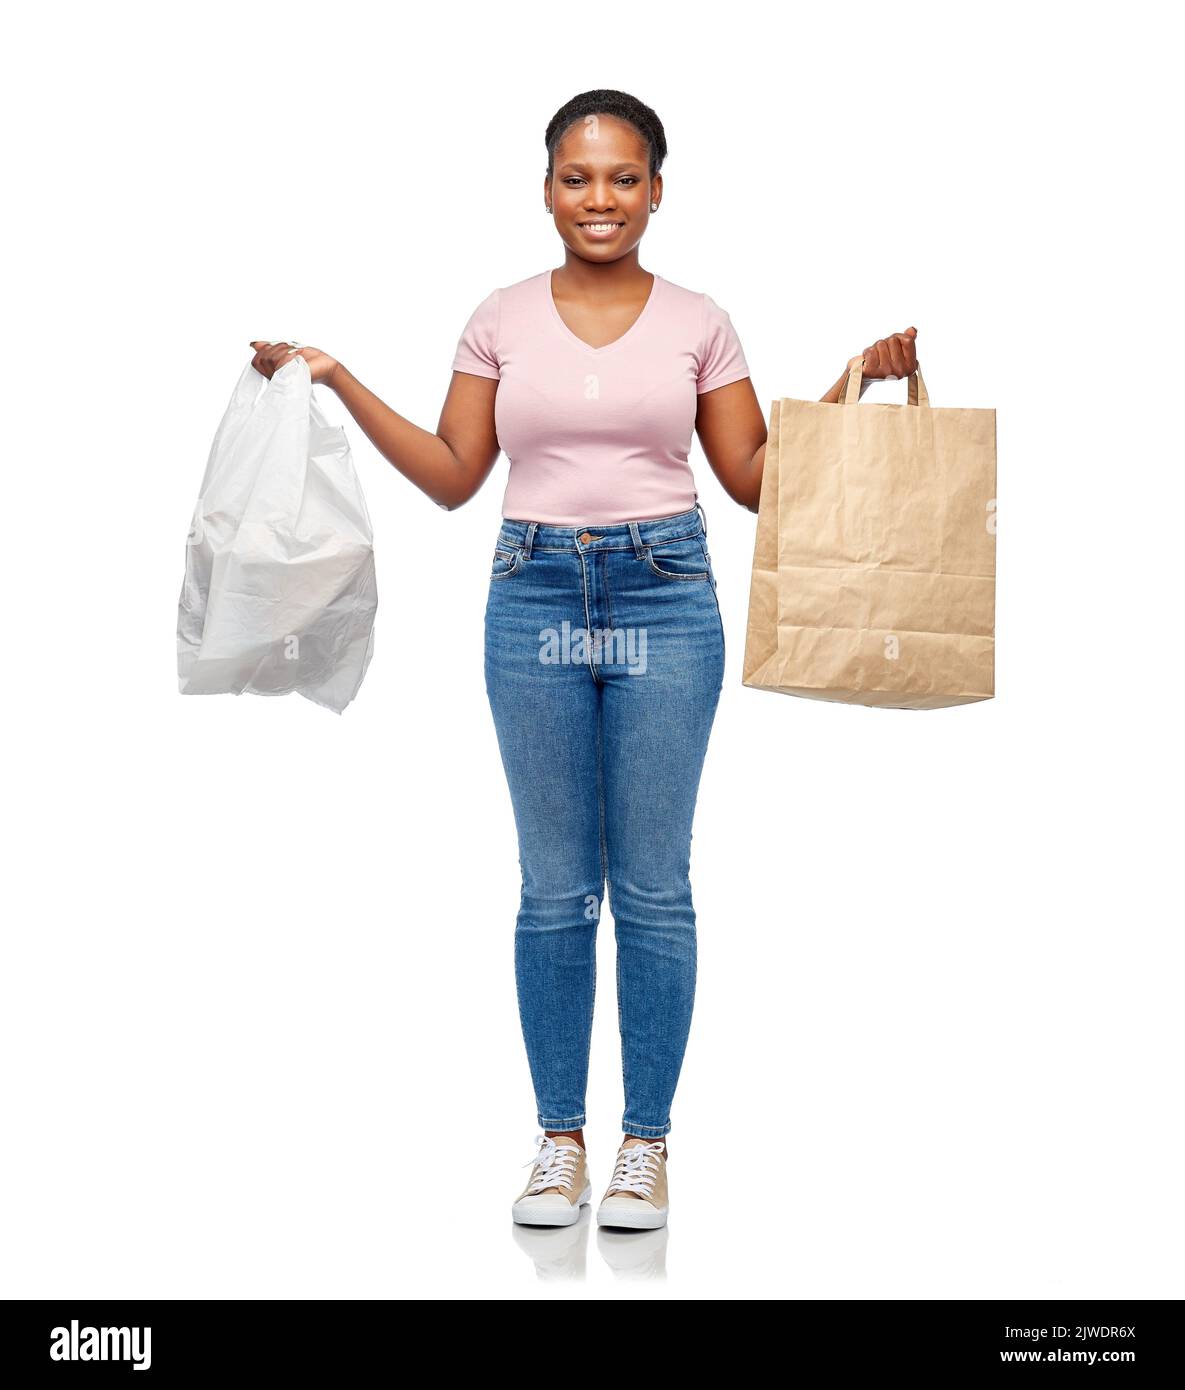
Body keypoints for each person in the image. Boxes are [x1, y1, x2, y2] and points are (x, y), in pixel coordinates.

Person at [249, 88, 917, 1231]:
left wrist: (851, 382)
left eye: (621, 177)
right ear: (548, 187)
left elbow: (754, 480)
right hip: (534, 592)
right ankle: (561, 1139)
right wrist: (339, 375)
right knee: (555, 890)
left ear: (657, 188)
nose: (598, 198)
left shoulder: (701, 320)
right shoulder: (499, 315)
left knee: (653, 886)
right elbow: (458, 476)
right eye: (576, 176)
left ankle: (645, 1147)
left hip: (665, 597)